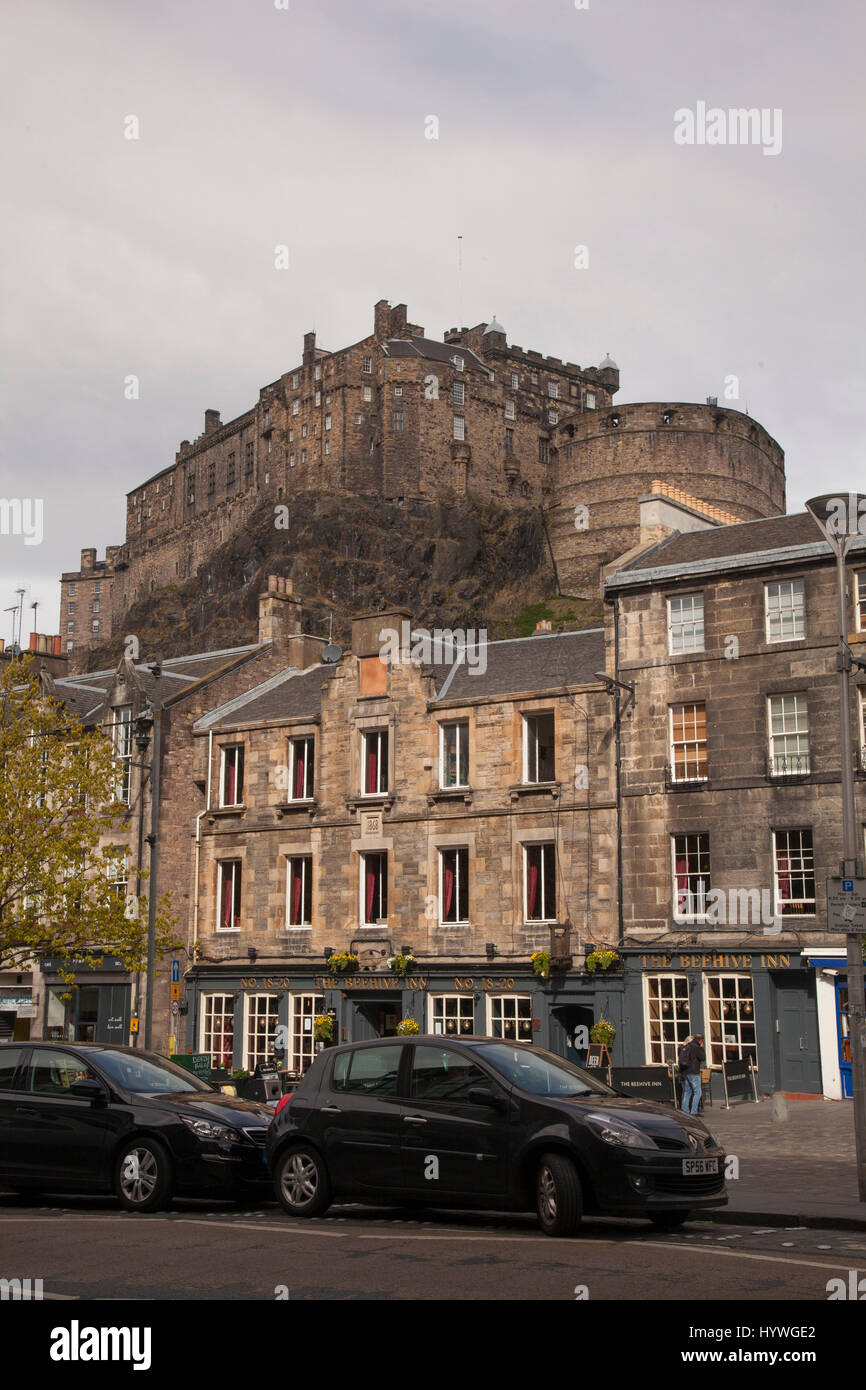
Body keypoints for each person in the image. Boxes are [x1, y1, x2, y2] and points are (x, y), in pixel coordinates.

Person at [679, 1033, 706, 1115]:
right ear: (701, 1040)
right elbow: (702, 1058)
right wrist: (701, 1048)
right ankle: (694, 1111)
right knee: (698, 1092)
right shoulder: (696, 1047)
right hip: (693, 1072)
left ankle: (685, 1111)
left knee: (687, 1091)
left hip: (685, 1072)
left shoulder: (688, 1045)